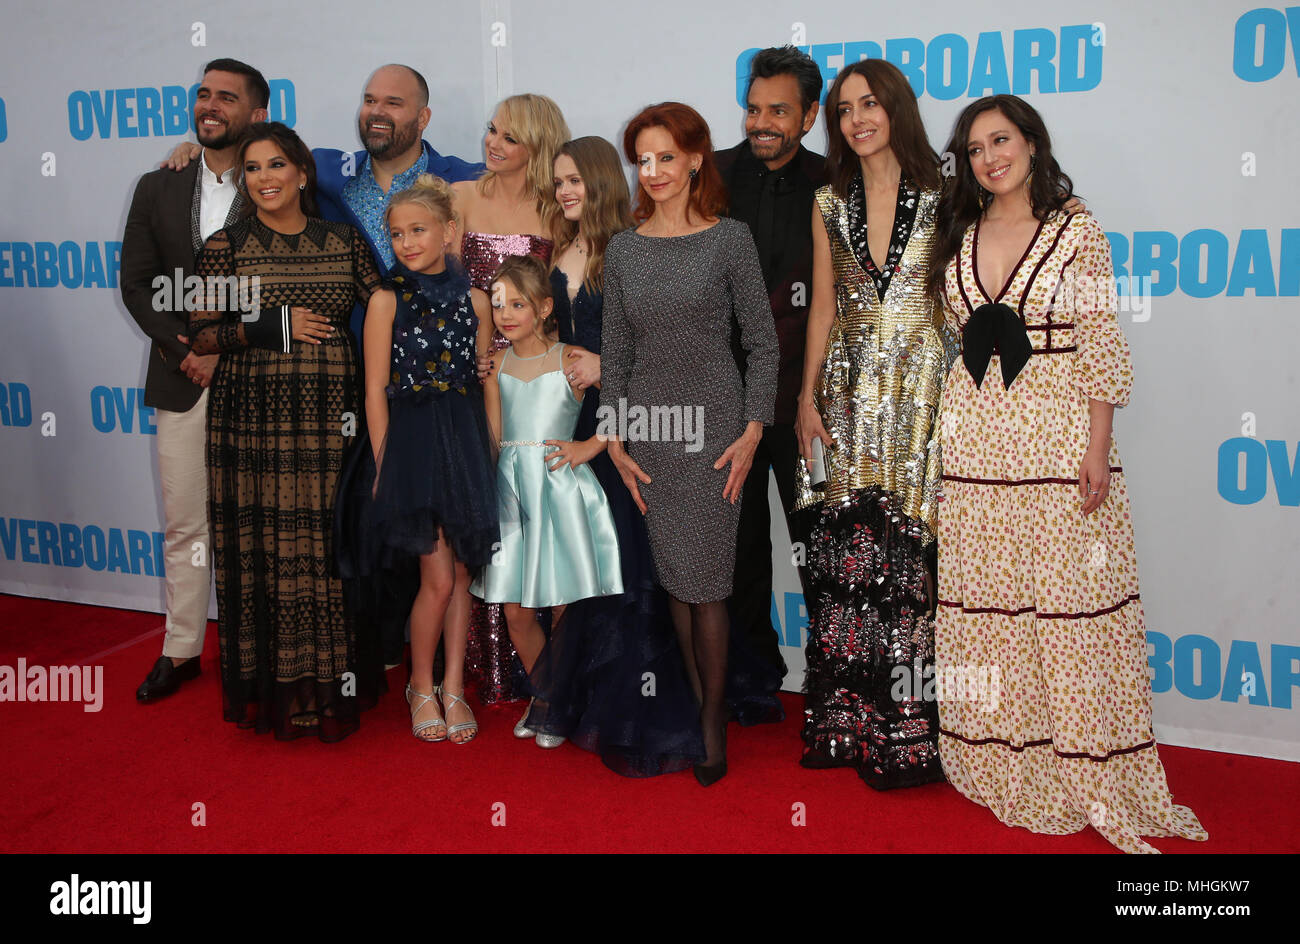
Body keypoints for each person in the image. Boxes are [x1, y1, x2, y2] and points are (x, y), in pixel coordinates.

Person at [929, 94, 1208, 852]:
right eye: (976, 147)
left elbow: (1100, 339)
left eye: (1002, 140)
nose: (990, 157)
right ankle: (999, 753)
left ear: (1031, 143)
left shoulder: (1076, 227)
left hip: (1055, 436)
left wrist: (1097, 444)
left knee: (1068, 606)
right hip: (977, 440)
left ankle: (1085, 761)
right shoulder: (957, 230)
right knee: (988, 605)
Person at [517, 137, 708, 775]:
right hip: (571, 422)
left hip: (623, 427)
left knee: (627, 573)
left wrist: (603, 390)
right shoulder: (558, 251)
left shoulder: (629, 248)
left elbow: (660, 354)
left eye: (573, 180)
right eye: (558, 182)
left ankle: (637, 717)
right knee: (590, 572)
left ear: (600, 182)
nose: (564, 191)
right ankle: (592, 702)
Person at [187, 122, 384, 741]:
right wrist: (265, 325)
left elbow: (387, 304)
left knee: (324, 550)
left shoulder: (343, 240)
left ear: (302, 173)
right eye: (252, 169)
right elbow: (201, 334)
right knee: (269, 550)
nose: (265, 179)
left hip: (332, 423)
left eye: (276, 165)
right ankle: (279, 690)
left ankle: (332, 686)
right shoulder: (226, 246)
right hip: (254, 426)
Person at [602, 102, 779, 786]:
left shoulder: (729, 240)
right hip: (650, 430)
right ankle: (698, 702)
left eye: (665, 157)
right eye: (642, 160)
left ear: (697, 158)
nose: (652, 173)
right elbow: (615, 351)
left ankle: (710, 722)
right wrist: (615, 435)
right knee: (676, 579)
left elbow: (761, 344)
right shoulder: (624, 247)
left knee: (706, 585)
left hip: (714, 430)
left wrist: (754, 429)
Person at [791, 60, 954, 789]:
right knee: (846, 558)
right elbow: (822, 305)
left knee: (915, 560)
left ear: (897, 110)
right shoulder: (828, 202)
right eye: (845, 108)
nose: (858, 117)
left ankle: (914, 737)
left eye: (871, 103)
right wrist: (805, 400)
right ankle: (847, 724)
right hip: (848, 393)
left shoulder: (948, 194)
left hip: (925, 392)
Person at [121, 58, 268, 703]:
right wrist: (185, 346)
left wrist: (221, 346)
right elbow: (138, 281)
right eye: (203, 95)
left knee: (262, 520)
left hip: (259, 378)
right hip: (181, 376)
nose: (210, 106)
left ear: (256, 114)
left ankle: (262, 652)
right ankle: (181, 650)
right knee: (186, 521)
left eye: (226, 98)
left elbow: (287, 281)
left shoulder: (280, 180)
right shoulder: (158, 186)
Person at [338, 174, 499, 744]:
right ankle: (421, 684)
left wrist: (493, 449)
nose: (406, 242)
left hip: (465, 444)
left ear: (449, 231)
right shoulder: (385, 300)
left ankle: (454, 685)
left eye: (418, 230)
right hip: (409, 448)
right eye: (397, 233)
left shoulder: (476, 300)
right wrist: (386, 465)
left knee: (460, 573)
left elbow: (484, 382)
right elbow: (374, 390)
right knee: (435, 576)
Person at [471, 255, 623, 747]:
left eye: (517, 303)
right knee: (515, 609)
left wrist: (591, 446)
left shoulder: (571, 358)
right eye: (497, 305)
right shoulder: (495, 365)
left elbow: (626, 399)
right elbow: (495, 437)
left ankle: (556, 703)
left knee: (560, 605)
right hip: (511, 492)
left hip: (560, 488)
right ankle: (548, 694)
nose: (506, 314)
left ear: (543, 307)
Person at [454, 93, 570, 705]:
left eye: (509, 137)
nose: (493, 143)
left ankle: (557, 682)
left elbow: (568, 300)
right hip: (476, 378)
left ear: (538, 145)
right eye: (491, 129)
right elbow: (443, 289)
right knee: (491, 513)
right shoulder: (461, 197)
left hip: (538, 380)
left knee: (539, 519)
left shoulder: (558, 209)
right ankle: (494, 666)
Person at [715, 45, 827, 680]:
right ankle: (749, 681)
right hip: (725, 402)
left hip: (807, 403)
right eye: (754, 109)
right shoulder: (713, 174)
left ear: (809, 115)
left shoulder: (837, 184)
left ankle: (830, 680)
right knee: (739, 549)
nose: (761, 123)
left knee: (821, 547)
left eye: (778, 111)